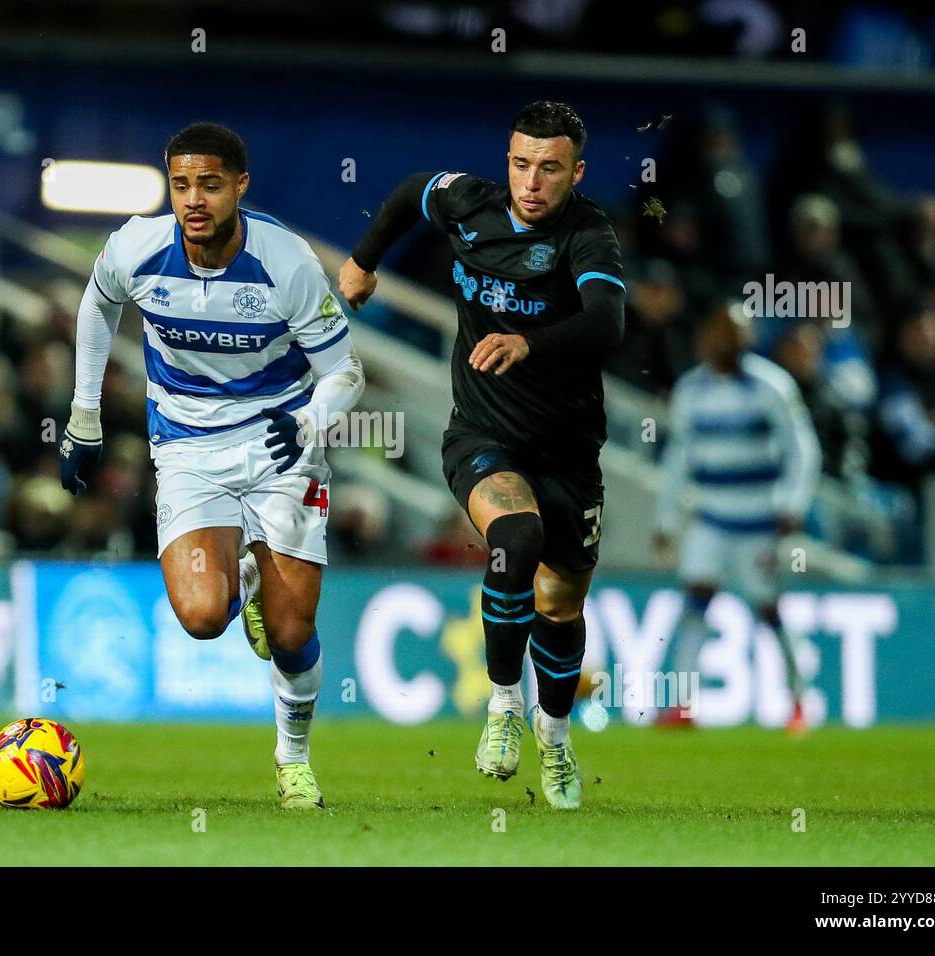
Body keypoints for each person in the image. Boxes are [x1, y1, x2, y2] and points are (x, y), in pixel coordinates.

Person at [60, 123, 364, 810]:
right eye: (181, 184)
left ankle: (292, 761)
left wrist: (313, 420)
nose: (193, 200)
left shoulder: (285, 262)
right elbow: (97, 304)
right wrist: (84, 416)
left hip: (282, 444)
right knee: (201, 616)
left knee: (290, 634)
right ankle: (245, 576)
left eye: (210, 184)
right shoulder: (136, 247)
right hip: (189, 448)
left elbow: (345, 370)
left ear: (240, 187)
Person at [339, 100, 625, 809]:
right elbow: (411, 191)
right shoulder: (470, 205)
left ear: (575, 172)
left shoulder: (587, 235)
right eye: (522, 163)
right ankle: (502, 706)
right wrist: (361, 261)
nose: (532, 181)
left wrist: (532, 340)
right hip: (482, 436)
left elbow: (606, 322)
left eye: (550, 168)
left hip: (568, 451)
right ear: (507, 161)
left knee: (559, 605)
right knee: (515, 536)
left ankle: (554, 740)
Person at [653, 303, 821, 734]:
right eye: (718, 332)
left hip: (758, 520)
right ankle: (682, 704)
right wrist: (667, 521)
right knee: (695, 600)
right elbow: (677, 459)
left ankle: (800, 700)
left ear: (746, 338)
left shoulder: (771, 386)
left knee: (768, 610)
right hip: (710, 517)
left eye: (733, 333)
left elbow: (802, 449)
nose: (723, 341)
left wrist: (793, 504)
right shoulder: (692, 389)